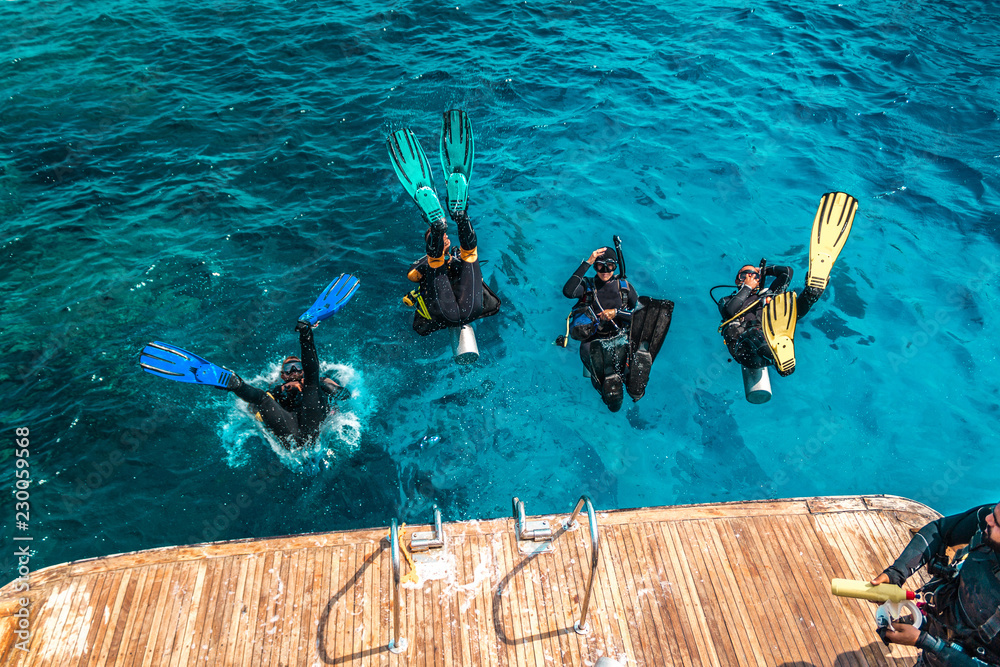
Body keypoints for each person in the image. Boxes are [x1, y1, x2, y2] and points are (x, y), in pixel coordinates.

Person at [140, 274, 359, 448]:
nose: (293, 370)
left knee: (313, 382)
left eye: (297, 366)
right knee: (263, 398)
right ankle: (233, 383)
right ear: (282, 373)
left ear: (302, 369)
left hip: (313, 423)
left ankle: (305, 330)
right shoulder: (276, 389)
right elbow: (255, 411)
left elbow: (344, 395)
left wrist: (326, 387)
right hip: (291, 433)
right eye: (288, 368)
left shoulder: (317, 381)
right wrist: (280, 395)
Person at [716, 191, 858, 378]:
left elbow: (787, 272)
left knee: (788, 305)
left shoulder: (766, 292)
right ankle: (779, 357)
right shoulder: (727, 299)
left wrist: (764, 272)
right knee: (753, 333)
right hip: (746, 351)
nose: (751, 275)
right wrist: (747, 288)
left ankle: (814, 290)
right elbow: (729, 312)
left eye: (754, 274)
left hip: (775, 335)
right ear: (737, 280)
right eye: (745, 273)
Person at [387, 110, 500, 338]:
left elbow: (416, 276)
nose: (450, 240)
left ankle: (445, 221)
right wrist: (443, 257)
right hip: (468, 307)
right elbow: (414, 275)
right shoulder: (434, 261)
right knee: (467, 255)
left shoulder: (434, 261)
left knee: (453, 259)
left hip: (454, 312)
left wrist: (441, 257)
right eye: (443, 237)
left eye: (445, 237)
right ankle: (458, 216)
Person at [868, 502, 1000, 666]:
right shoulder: (989, 521)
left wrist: (924, 641)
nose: (988, 519)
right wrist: (897, 574)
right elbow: (939, 530)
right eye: (994, 513)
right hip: (944, 626)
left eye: (997, 522)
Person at [562, 244, 673, 412]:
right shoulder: (586, 286)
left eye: (610, 266)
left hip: (619, 337)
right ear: (595, 266)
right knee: (608, 386)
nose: (605, 270)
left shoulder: (624, 288)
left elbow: (640, 317)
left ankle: (634, 384)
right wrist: (588, 262)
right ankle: (609, 392)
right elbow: (568, 292)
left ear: (616, 266)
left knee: (628, 368)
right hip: (593, 341)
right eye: (600, 266)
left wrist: (617, 313)